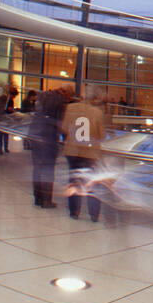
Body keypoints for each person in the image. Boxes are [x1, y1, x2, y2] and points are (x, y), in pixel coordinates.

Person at [59, 85, 104, 222]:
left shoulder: (70, 108)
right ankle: (94, 214)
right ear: (95, 99)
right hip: (90, 153)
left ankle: (74, 211)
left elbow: (64, 128)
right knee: (92, 182)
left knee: (74, 180)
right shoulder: (97, 113)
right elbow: (100, 135)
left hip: (72, 151)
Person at [27, 88, 64, 208]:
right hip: (49, 139)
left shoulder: (40, 108)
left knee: (37, 169)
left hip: (36, 137)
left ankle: (38, 198)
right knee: (48, 170)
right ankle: (47, 200)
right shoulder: (58, 104)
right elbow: (59, 124)